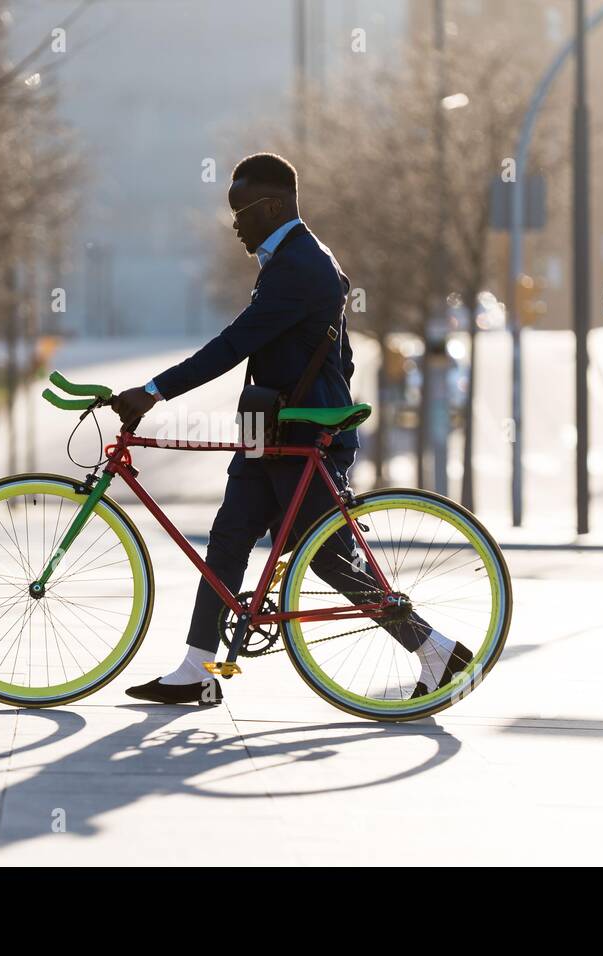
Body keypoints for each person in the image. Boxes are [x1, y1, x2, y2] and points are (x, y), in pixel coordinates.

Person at [112, 152, 471, 706]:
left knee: (324, 555)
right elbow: (339, 357)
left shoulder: (302, 265)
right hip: (270, 425)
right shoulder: (293, 261)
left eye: (241, 210)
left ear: (273, 205)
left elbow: (236, 343)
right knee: (229, 540)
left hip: (298, 433)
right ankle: (198, 668)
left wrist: (155, 391)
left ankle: (433, 649)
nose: (233, 223)